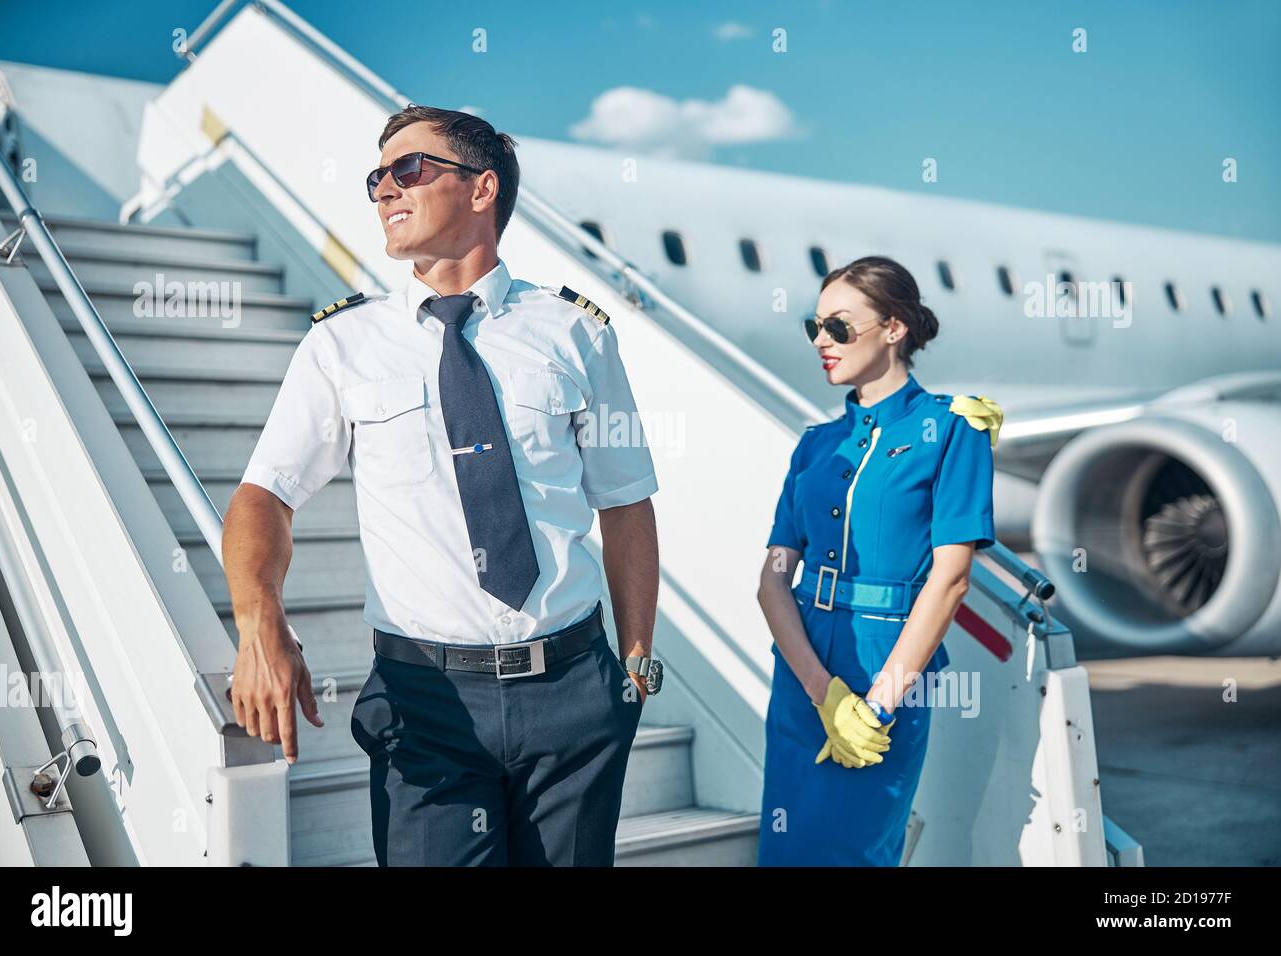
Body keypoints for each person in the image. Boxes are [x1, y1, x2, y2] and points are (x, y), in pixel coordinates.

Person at [221, 104, 663, 866]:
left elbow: (624, 502)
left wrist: (633, 666)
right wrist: (260, 621)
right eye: (377, 177)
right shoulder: (342, 343)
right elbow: (265, 496)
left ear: (482, 188)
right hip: (426, 701)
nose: (386, 189)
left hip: (574, 693)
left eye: (410, 169)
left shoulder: (575, 332)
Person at [755, 255, 1002, 866]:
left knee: (853, 852)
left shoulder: (954, 428)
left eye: (838, 326)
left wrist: (878, 703)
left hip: (887, 673)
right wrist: (823, 694)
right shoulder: (815, 444)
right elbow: (773, 582)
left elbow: (950, 581)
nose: (821, 341)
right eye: (813, 327)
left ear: (894, 329)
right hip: (803, 675)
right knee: (786, 853)